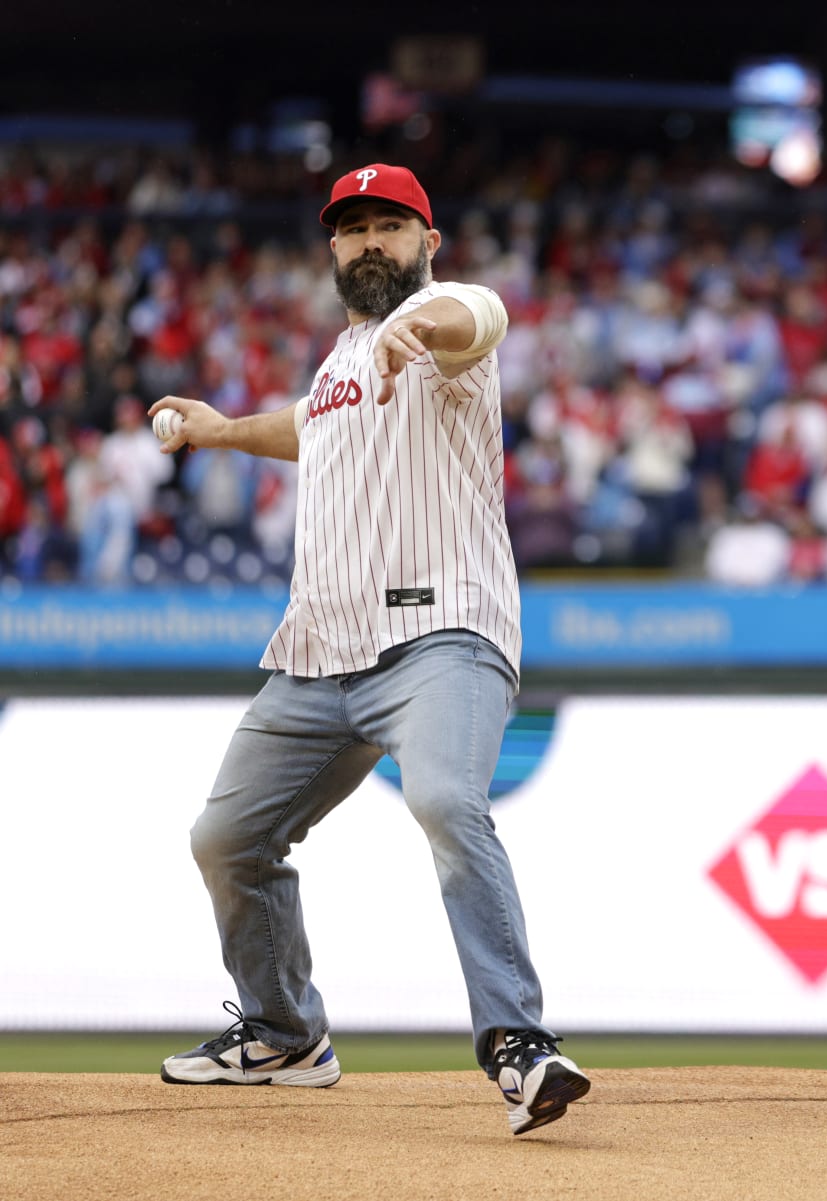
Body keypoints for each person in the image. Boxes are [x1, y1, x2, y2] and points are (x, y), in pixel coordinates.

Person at [149, 164, 591, 1136]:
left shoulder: (447, 319)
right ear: (333, 249)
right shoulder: (342, 361)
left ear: (429, 240)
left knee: (442, 800)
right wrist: (226, 432)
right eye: (352, 231)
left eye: (390, 225)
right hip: (319, 654)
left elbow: (475, 321)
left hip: (441, 636)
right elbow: (314, 428)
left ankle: (518, 1043)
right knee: (225, 841)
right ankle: (282, 1032)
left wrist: (420, 329)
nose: (369, 243)